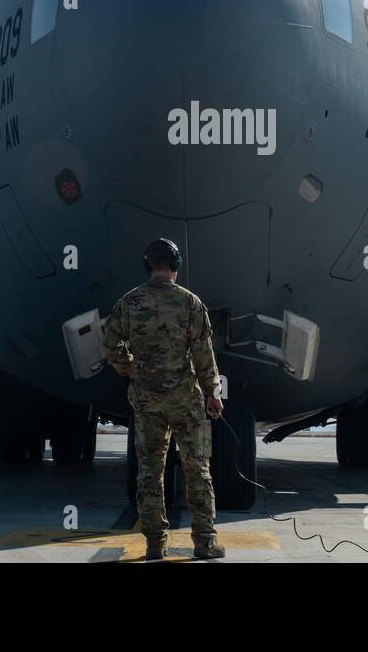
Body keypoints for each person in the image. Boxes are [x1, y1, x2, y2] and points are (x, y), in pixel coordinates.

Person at [102, 238, 226, 561]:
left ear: (148, 266)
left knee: (150, 472)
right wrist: (213, 392)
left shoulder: (129, 303)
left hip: (146, 401)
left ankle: (155, 544)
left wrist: (129, 367)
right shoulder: (190, 303)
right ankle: (204, 541)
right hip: (186, 400)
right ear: (176, 265)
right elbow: (203, 353)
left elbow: (109, 343)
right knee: (197, 468)